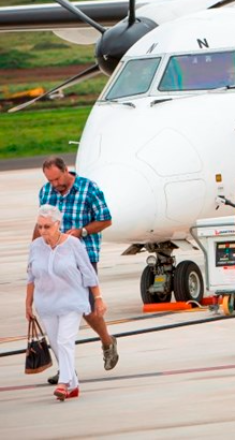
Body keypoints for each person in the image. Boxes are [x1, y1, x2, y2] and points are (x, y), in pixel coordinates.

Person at [36, 156, 118, 384]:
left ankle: (107, 341)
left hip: (82, 256)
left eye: (57, 179)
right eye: (50, 181)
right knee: (56, 311)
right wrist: (34, 254)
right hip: (53, 259)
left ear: (66, 171)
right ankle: (66, 370)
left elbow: (106, 219)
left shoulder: (88, 188)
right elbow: (41, 224)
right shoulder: (46, 192)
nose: (55, 185)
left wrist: (81, 231)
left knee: (88, 310)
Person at [26, 205, 105, 401]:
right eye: (40, 227)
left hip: (71, 301)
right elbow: (30, 277)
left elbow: (88, 273)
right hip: (46, 304)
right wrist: (28, 304)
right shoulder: (35, 246)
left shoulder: (73, 244)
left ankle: (63, 383)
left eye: (47, 226)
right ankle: (73, 385)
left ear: (58, 224)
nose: (43, 231)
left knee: (65, 341)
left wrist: (98, 298)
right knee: (56, 344)